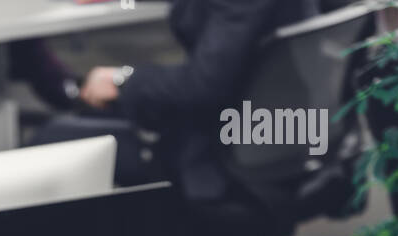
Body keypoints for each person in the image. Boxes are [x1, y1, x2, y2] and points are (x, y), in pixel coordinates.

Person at [32, 0, 306, 199]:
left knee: (53, 139)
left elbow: (202, 86)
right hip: (274, 127)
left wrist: (121, 81)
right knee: (86, 116)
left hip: (229, 147)